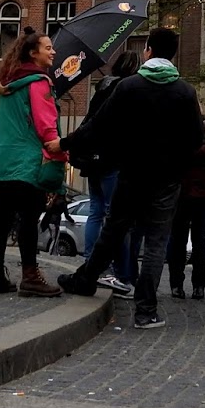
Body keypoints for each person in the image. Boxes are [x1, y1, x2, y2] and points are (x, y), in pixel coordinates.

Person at [53, 27, 204, 329]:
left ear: (148, 50)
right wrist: (177, 166)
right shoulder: (185, 91)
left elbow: (98, 125)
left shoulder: (129, 87)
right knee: (156, 242)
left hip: (133, 172)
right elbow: (196, 140)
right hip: (167, 178)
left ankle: (85, 280)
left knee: (113, 230)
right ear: (173, 54)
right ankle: (146, 310)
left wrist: (66, 143)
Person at [0, 31, 66, 297]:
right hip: (28, 159)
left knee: (3, 217)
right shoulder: (40, 82)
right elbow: (45, 124)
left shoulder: (7, 82)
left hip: (3, 158)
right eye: (48, 48)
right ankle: (30, 275)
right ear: (34, 54)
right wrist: (58, 151)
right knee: (30, 218)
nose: (53, 52)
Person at [71, 50, 137, 291]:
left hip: (93, 159)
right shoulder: (125, 90)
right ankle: (121, 273)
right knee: (116, 217)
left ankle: (91, 261)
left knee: (96, 211)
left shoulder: (101, 87)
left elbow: (91, 122)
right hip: (112, 159)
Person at [167, 112, 205, 301]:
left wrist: (191, 152)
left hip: (198, 192)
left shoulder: (204, 126)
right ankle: (178, 284)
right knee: (181, 240)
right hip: (184, 192)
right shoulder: (179, 128)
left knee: (197, 240)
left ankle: (196, 285)